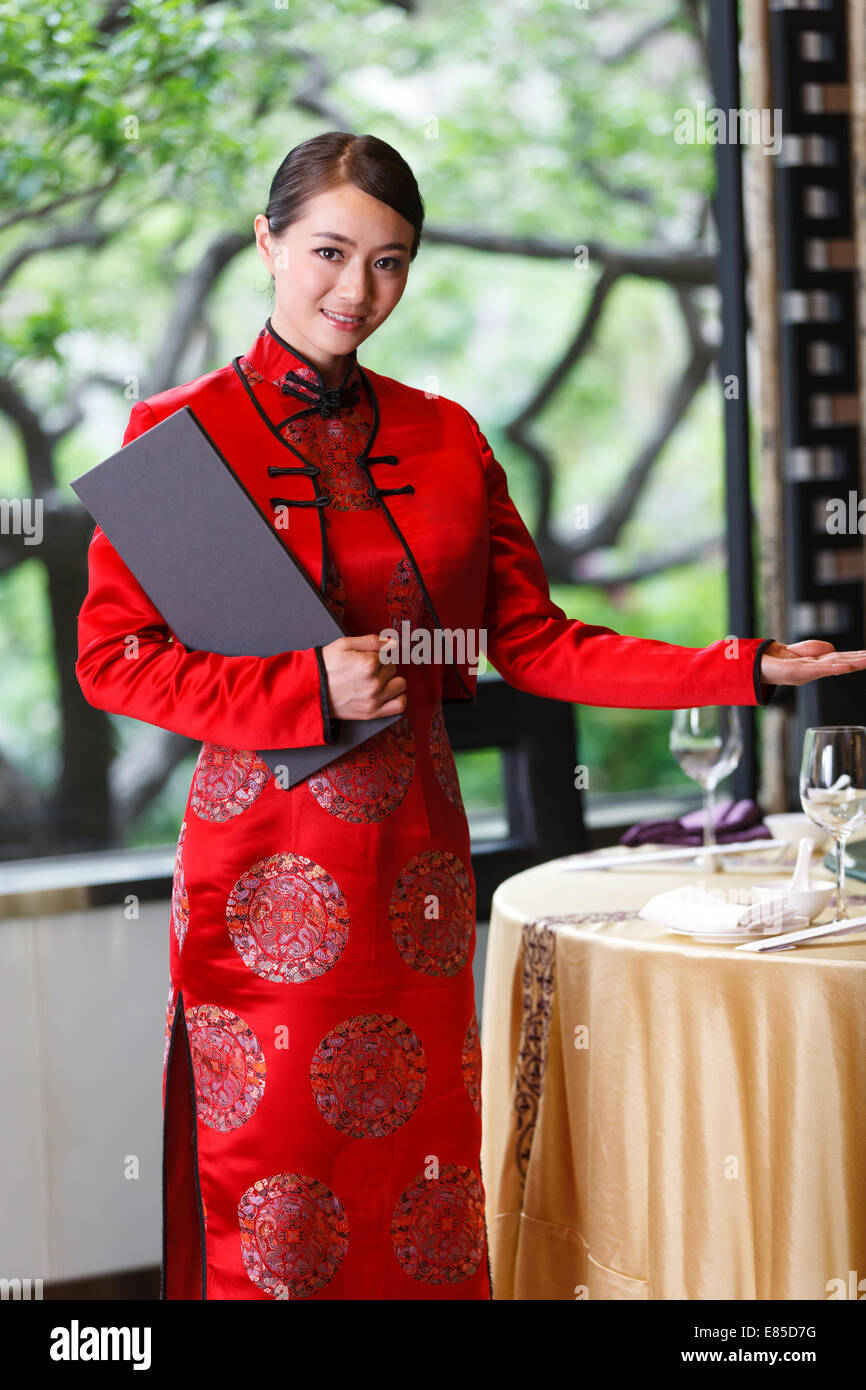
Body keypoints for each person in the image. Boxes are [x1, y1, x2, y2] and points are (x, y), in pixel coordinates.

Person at [75, 131, 866, 1302]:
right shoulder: (177, 441)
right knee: (279, 1199)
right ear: (267, 242)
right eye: (329, 252)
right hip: (267, 873)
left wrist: (743, 668)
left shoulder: (445, 437)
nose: (356, 291)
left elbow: (540, 644)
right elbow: (112, 662)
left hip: (420, 887)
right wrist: (303, 688)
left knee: (426, 1191)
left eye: (389, 262)